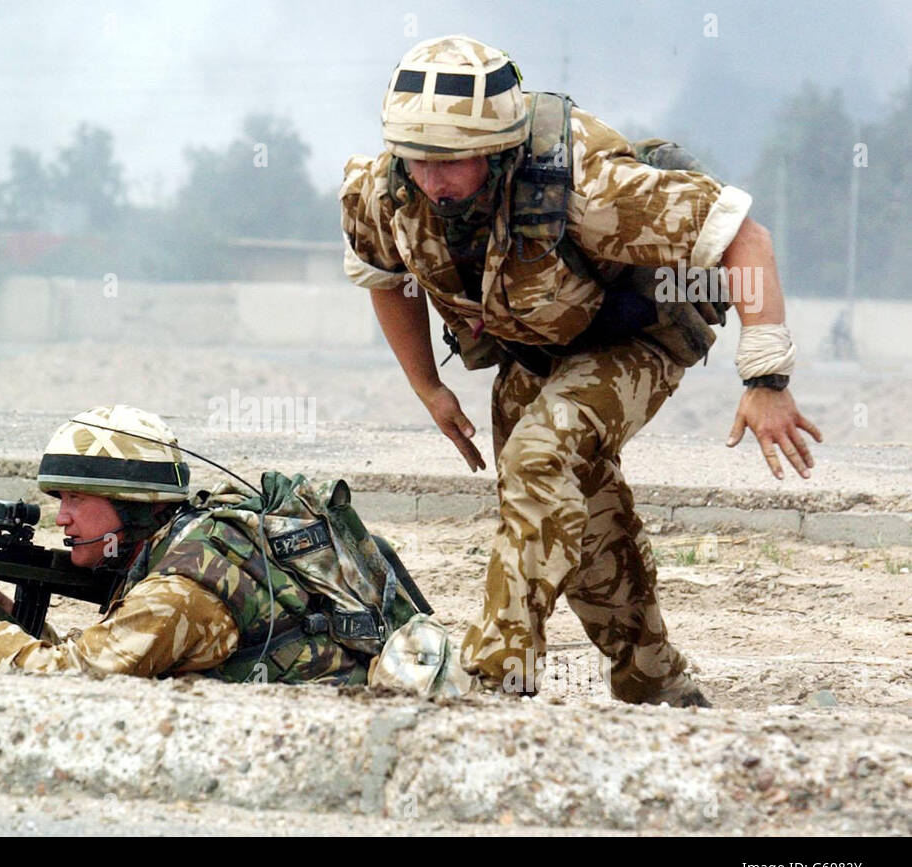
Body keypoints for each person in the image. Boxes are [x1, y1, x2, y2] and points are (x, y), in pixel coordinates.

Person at [340, 35, 823, 706]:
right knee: (579, 514)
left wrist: (766, 378)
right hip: (534, 352)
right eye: (417, 159)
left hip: (633, 340)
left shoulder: (587, 185)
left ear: (499, 147)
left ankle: (493, 674)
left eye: (450, 163)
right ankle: (654, 678)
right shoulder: (385, 190)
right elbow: (383, 272)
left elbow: (746, 236)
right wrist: (428, 386)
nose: (431, 180)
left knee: (542, 457)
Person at [0, 404, 436, 687]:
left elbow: (63, 681)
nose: (61, 516)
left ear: (133, 505)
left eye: (76, 498)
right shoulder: (186, 543)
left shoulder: (179, 591)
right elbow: (101, 651)